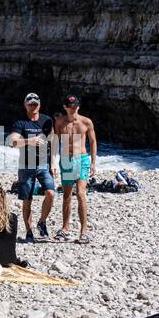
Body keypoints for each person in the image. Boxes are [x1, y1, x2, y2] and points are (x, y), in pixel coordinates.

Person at [8, 92, 56, 243]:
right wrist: (29, 140)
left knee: (50, 193)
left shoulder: (47, 120)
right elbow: (12, 142)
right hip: (26, 166)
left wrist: (53, 163)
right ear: (25, 105)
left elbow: (53, 142)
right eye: (30, 104)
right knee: (27, 200)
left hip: (43, 165)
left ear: (39, 105)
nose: (33, 106)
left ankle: (42, 222)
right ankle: (29, 232)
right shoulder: (20, 123)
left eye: (36, 103)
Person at [53, 96, 98, 243]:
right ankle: (65, 228)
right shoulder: (59, 122)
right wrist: (53, 162)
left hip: (82, 159)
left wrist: (93, 163)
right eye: (71, 106)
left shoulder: (86, 122)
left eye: (76, 106)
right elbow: (54, 142)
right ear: (65, 107)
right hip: (66, 160)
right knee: (66, 195)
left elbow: (93, 142)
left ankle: (84, 231)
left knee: (80, 193)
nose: (73, 109)